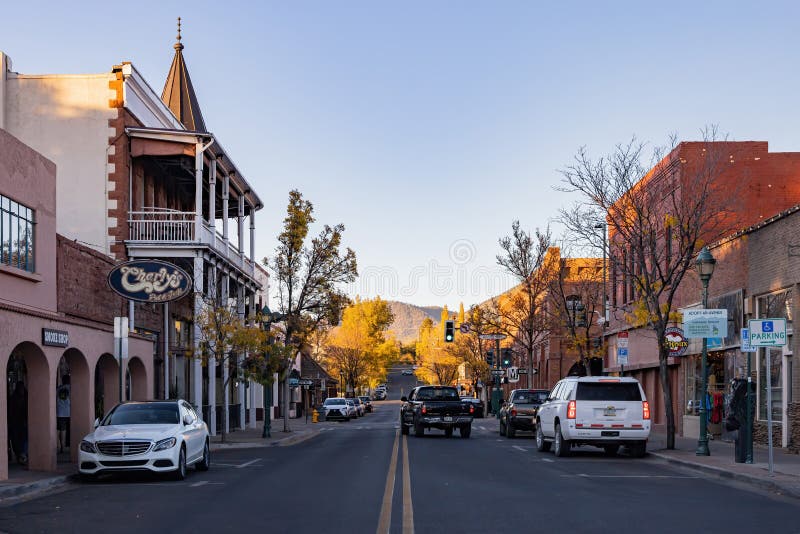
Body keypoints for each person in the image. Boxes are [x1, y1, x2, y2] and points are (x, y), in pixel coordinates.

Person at [8, 381, 28, 465]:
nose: (21, 390)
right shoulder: (13, 398)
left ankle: (22, 455)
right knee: (16, 440)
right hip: (15, 422)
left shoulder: (26, 397)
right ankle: (20, 455)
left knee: (23, 439)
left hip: (22, 422)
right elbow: (10, 411)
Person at [56, 376, 71, 453]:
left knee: (60, 430)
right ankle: (63, 446)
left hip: (59, 413)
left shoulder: (58, 389)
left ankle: (61, 446)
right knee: (65, 431)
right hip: (69, 412)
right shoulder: (71, 388)